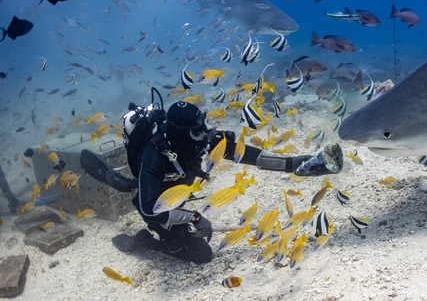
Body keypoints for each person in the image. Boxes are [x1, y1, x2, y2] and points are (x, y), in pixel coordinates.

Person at [88, 100, 343, 263]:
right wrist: (194, 218)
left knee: (162, 193)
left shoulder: (200, 138)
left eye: (204, 124)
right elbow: (149, 209)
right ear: (179, 133)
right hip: (159, 203)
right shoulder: (154, 154)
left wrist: (296, 163)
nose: (206, 133)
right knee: (201, 254)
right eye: (197, 129)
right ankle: (147, 241)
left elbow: (247, 155)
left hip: (176, 190)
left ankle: (133, 185)